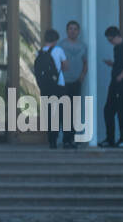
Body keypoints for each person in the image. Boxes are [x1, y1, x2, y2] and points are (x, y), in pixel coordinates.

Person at [33, 29, 69, 149]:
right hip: (58, 85)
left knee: (49, 113)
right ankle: (66, 140)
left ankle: (52, 141)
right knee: (63, 112)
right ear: (56, 40)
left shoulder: (39, 52)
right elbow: (65, 66)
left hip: (45, 87)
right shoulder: (59, 50)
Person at [58, 20, 88, 148]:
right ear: (67, 30)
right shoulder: (61, 45)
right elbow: (57, 62)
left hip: (76, 82)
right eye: (70, 28)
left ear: (78, 31)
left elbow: (85, 62)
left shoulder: (83, 46)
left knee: (75, 110)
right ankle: (65, 139)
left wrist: (82, 76)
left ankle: (73, 138)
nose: (73, 31)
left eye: (75, 29)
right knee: (65, 111)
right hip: (64, 82)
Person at [101, 26, 123, 148]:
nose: (111, 43)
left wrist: (122, 74)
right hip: (114, 83)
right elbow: (120, 63)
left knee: (122, 112)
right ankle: (110, 138)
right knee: (108, 111)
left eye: (111, 40)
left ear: (117, 36)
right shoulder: (117, 48)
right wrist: (113, 64)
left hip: (122, 84)